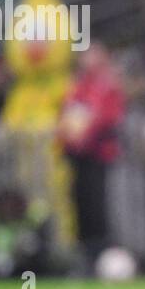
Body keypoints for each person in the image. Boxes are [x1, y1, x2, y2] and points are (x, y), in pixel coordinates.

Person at [59, 44, 126, 270]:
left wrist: (84, 136)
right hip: (79, 156)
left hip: (98, 155)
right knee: (80, 205)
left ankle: (101, 256)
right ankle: (84, 255)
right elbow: (68, 113)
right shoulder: (77, 85)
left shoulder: (107, 86)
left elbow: (107, 118)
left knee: (99, 207)